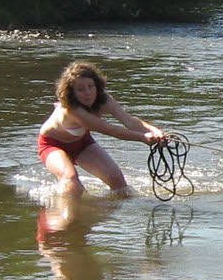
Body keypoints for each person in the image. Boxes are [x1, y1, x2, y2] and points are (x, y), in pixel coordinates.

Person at [37, 60, 168, 195]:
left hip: (81, 143)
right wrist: (143, 138)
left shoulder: (104, 100)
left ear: (97, 85)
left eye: (91, 86)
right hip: (52, 144)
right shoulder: (72, 110)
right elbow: (110, 130)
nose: (88, 93)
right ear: (72, 93)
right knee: (70, 179)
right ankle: (62, 214)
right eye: (80, 89)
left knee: (117, 181)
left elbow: (129, 121)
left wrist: (156, 132)